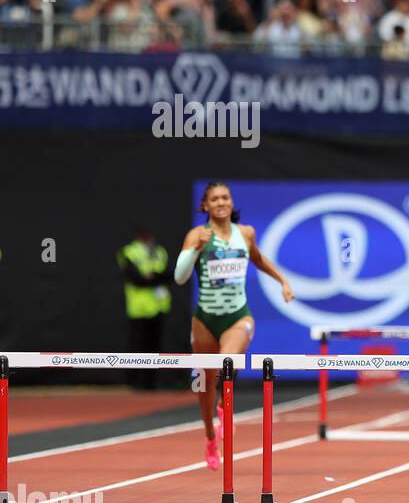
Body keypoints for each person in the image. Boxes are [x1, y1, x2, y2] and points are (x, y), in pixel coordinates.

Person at [175, 182, 295, 469]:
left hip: (237, 316)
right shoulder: (197, 235)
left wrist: (283, 281)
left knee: (226, 362)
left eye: (225, 197)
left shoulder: (246, 233)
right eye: (214, 199)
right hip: (205, 319)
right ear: (205, 206)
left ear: (231, 202)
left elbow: (259, 259)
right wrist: (195, 252)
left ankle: (224, 408)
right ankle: (209, 435)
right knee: (204, 385)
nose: (220, 202)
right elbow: (180, 277)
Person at [116, 225, 171, 390]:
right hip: (139, 309)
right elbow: (136, 278)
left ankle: (151, 382)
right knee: (138, 346)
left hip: (158, 307)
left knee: (155, 347)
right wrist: (154, 277)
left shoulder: (160, 251)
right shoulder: (129, 252)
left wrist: (152, 276)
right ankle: (135, 382)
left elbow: (169, 274)